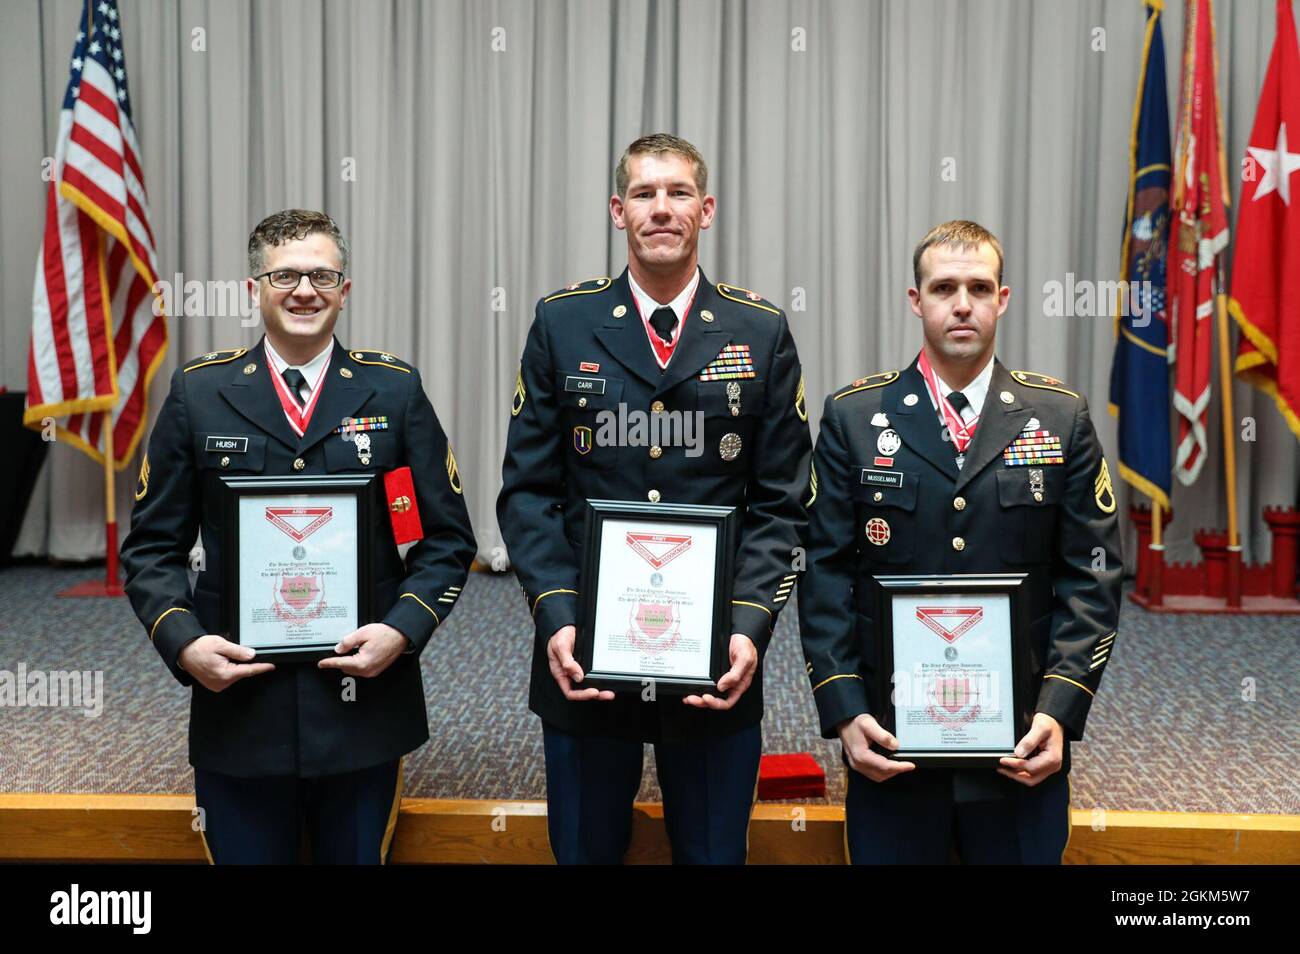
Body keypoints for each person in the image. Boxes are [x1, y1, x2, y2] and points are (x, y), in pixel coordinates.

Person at [121, 209, 476, 864]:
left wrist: (400, 631)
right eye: (285, 274)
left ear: (345, 288)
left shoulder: (391, 395)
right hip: (240, 706)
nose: (304, 290)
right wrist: (185, 642)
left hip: (362, 708)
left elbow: (440, 542)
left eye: (321, 275)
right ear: (256, 286)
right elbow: (151, 549)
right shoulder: (200, 395)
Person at [497, 134, 811, 864]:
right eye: (643, 194)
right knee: (583, 851)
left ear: (705, 210)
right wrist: (557, 617)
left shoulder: (758, 331)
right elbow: (528, 494)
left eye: (676, 194)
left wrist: (747, 626)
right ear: (618, 211)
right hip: (586, 654)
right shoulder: (563, 323)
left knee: (710, 853)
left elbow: (782, 502)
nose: (660, 209)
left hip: (713, 658)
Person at [798, 220, 1122, 864]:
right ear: (916, 300)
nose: (963, 304)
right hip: (890, 741)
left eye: (979, 287)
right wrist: (843, 709)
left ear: (1003, 299)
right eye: (944, 287)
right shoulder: (856, 419)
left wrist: (1060, 708)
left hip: (1019, 743)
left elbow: (1094, 573)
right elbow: (824, 571)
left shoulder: (1058, 417)